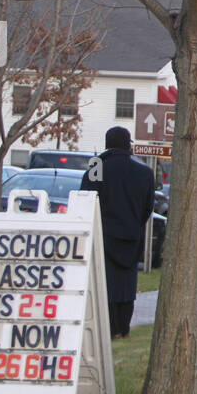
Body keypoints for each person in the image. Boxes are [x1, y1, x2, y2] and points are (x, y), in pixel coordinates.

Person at [80, 126, 155, 339]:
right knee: (127, 282)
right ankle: (124, 326)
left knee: (107, 283)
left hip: (103, 234)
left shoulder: (97, 167)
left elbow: (87, 200)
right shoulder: (144, 172)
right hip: (132, 234)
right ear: (127, 144)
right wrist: (134, 223)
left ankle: (110, 327)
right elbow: (148, 208)